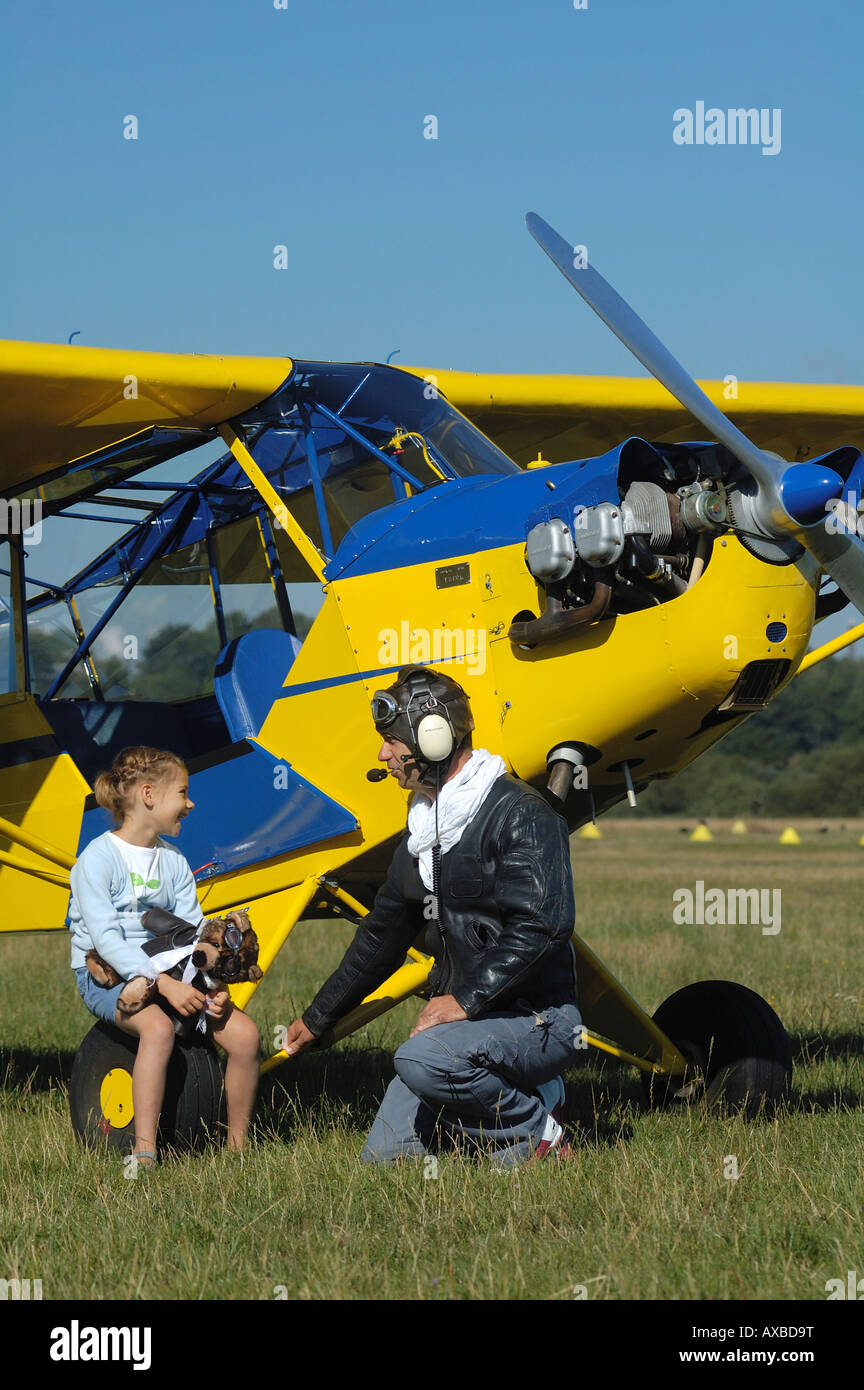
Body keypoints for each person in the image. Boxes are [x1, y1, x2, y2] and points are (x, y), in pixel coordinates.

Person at [281, 666, 581, 1166]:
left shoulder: (521, 812)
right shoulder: (423, 829)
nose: (382, 755)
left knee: (419, 1058)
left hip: (538, 1017)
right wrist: (318, 1018)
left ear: (434, 739)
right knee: (384, 1160)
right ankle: (502, 1110)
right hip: (469, 1024)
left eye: (391, 742)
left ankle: (539, 1129)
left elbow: (544, 925)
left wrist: (462, 999)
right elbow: (380, 938)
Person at [68, 746, 260, 1164]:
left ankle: (238, 1148)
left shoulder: (173, 862)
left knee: (245, 1037)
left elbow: (194, 937)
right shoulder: (96, 860)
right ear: (149, 795)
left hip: (172, 974)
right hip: (107, 974)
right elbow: (105, 940)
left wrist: (213, 984)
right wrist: (164, 984)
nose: (190, 803)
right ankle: (144, 1149)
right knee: (158, 1029)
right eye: (183, 792)